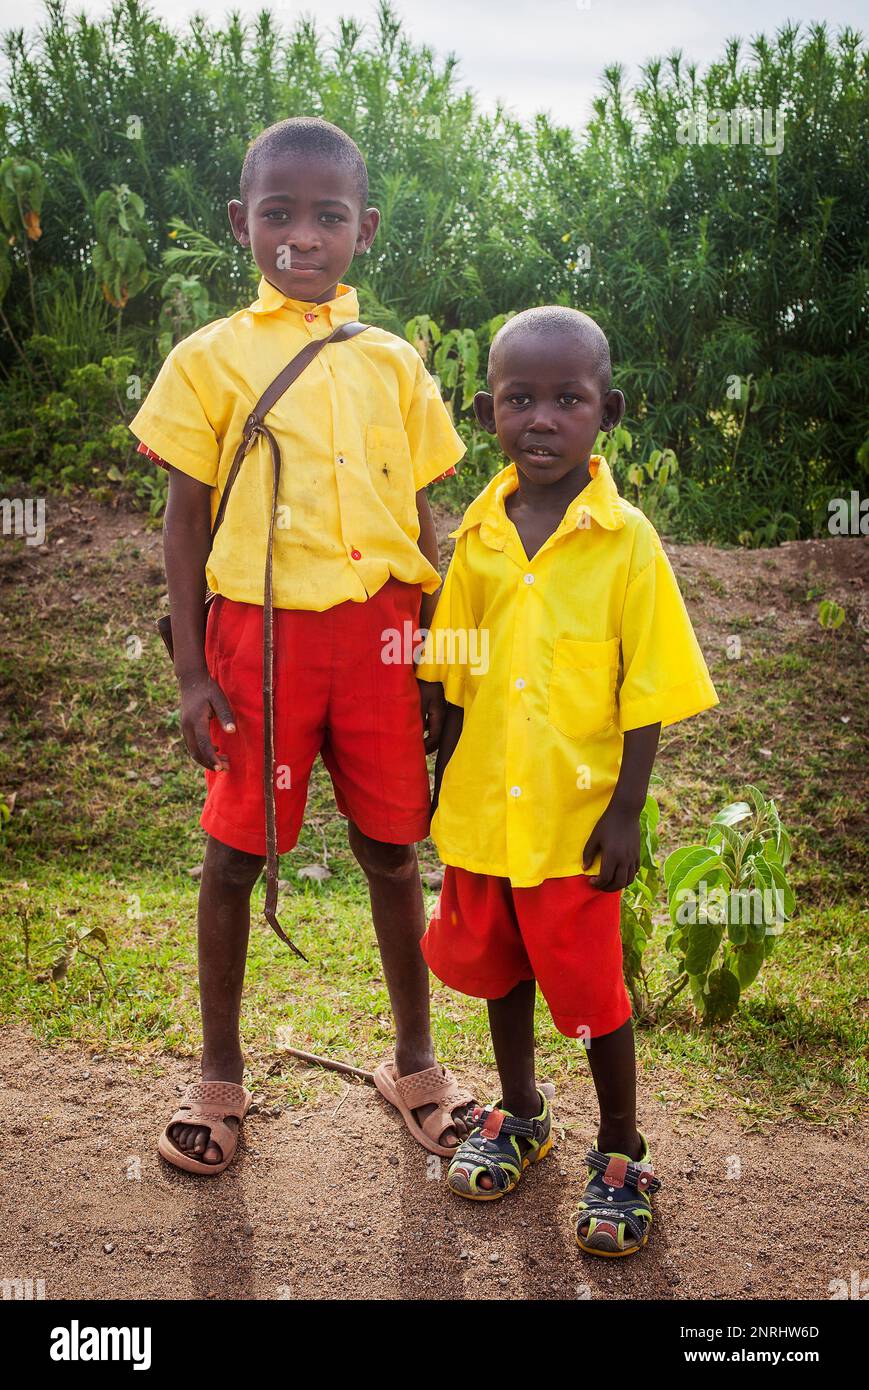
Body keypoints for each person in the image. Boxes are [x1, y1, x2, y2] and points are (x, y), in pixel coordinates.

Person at [129, 117, 476, 1175]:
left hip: (381, 636)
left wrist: (440, 658)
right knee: (232, 856)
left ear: (362, 230)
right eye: (276, 213)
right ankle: (219, 1078)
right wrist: (191, 671)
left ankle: (414, 1061)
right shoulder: (209, 359)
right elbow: (184, 525)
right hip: (256, 643)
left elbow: (428, 525)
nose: (300, 236)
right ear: (240, 222)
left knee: (390, 851)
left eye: (327, 217)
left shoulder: (395, 363)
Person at [415, 305, 719, 1254]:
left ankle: (620, 1154)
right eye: (518, 400)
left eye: (566, 399)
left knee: (591, 998)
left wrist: (626, 811)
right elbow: (454, 673)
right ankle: (521, 1113)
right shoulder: (477, 534)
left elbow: (650, 687)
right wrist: (441, 778)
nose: (539, 418)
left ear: (606, 412)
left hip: (577, 824)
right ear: (485, 409)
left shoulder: (627, 543)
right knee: (499, 974)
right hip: (486, 814)